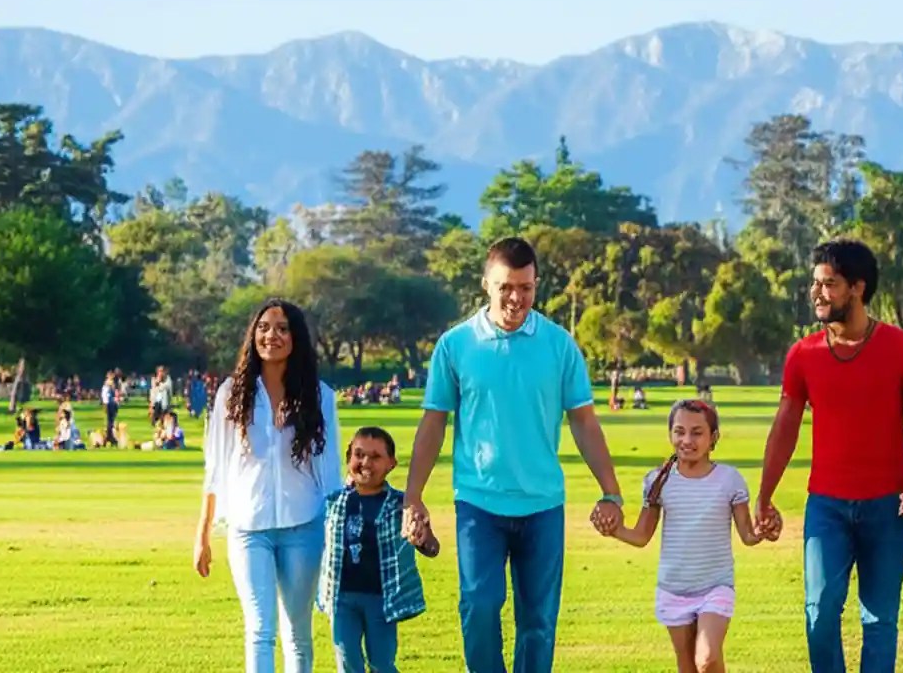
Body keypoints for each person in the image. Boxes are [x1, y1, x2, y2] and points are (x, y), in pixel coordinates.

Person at [400, 236, 624, 673]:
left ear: (536, 285)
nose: (516, 298)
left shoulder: (559, 346)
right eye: (506, 287)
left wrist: (611, 492)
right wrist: (414, 496)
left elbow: (584, 422)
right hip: (478, 503)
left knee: (538, 623)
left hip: (542, 504)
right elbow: (433, 423)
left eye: (525, 287)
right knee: (479, 607)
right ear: (486, 284)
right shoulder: (456, 345)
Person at [754, 239, 903, 673]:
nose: (817, 293)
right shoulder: (803, 355)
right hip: (827, 507)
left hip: (888, 507)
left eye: (829, 284)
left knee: (879, 619)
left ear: (857, 287)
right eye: (815, 284)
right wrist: (764, 495)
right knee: (819, 610)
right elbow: (785, 428)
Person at [194, 298, 344, 673]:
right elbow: (215, 468)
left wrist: (333, 534)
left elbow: (330, 472)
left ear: (296, 337)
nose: (271, 336)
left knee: (297, 633)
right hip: (249, 529)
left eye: (281, 328)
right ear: (252, 336)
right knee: (259, 630)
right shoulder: (232, 394)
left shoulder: (320, 396)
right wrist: (202, 536)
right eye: (263, 328)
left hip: (304, 527)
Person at [603, 399, 771, 673]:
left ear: (714, 437)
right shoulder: (658, 481)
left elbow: (748, 536)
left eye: (697, 432)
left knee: (706, 658)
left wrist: (762, 531)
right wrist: (614, 530)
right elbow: (642, 535)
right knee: (687, 666)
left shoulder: (729, 480)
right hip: (673, 590)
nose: (687, 440)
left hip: (716, 587)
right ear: (670, 434)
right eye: (679, 431)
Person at [317, 426, 440, 672]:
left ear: (391, 464)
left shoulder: (401, 505)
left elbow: (432, 548)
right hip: (341, 599)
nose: (365, 462)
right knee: (347, 661)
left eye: (375, 457)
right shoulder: (334, 502)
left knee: (381, 663)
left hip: (382, 601)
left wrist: (423, 537)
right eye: (359, 455)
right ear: (348, 457)